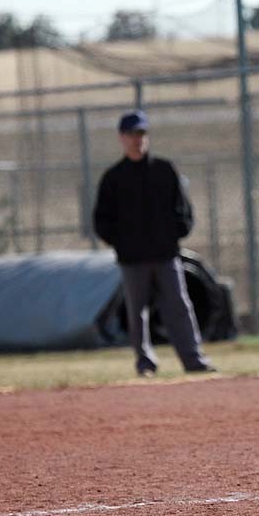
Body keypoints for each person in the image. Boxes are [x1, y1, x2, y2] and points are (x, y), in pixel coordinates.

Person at [93, 110, 216, 377]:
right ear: (121, 138)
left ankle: (193, 360)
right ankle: (145, 363)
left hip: (165, 254)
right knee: (136, 313)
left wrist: (174, 234)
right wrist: (122, 243)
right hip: (132, 259)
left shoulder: (163, 170)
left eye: (142, 133)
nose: (138, 139)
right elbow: (101, 220)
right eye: (132, 134)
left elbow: (182, 209)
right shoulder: (113, 178)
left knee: (179, 307)